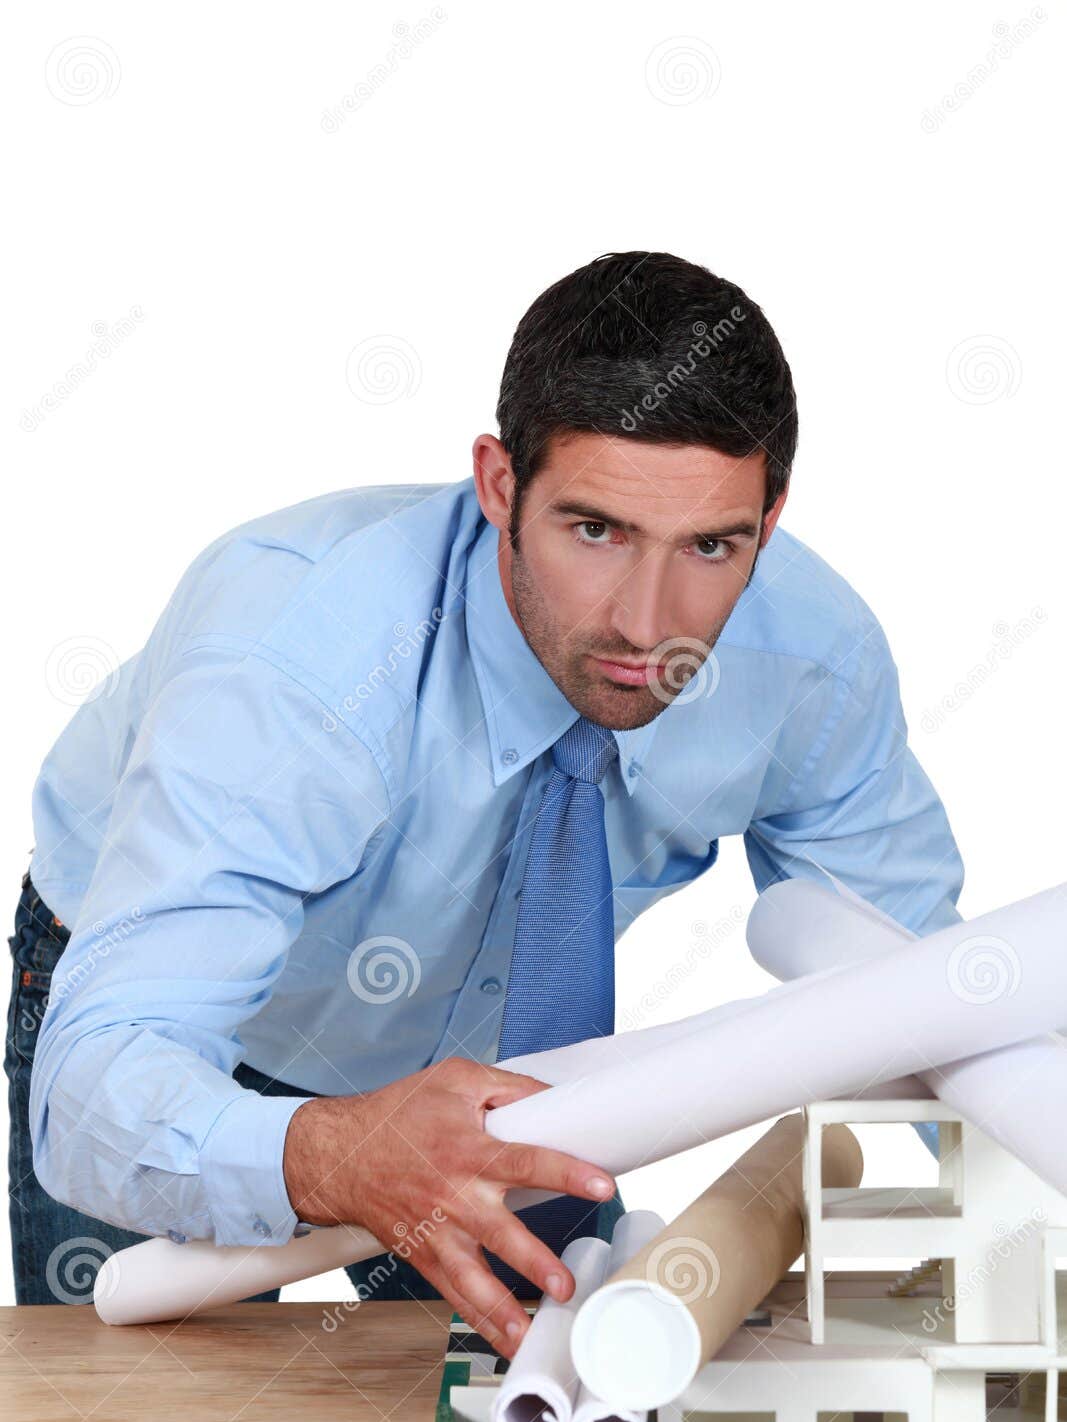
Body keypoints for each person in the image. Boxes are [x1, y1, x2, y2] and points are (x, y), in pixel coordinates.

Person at [7, 251, 963, 1350]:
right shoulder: (296, 666)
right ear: (498, 485)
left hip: (483, 1048)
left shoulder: (811, 661)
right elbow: (93, 1091)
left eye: (709, 543)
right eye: (594, 529)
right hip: (182, 1018)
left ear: (770, 513)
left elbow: (932, 993)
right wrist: (332, 1154)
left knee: (551, 1395)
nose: (650, 627)